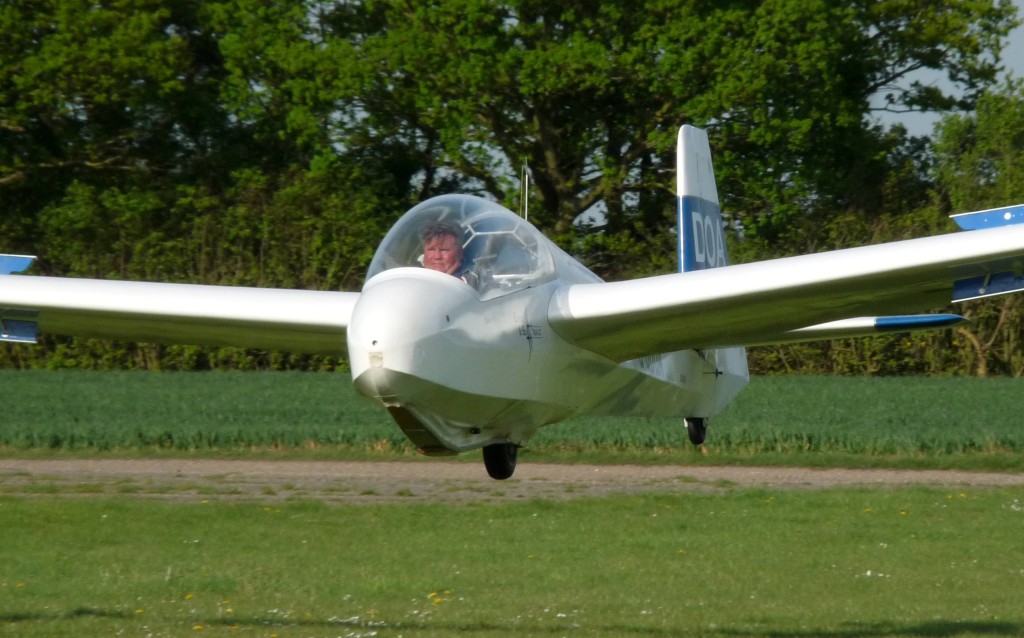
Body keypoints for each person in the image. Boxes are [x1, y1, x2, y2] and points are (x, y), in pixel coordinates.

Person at [420, 221, 479, 287]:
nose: (437, 256)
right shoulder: (413, 272)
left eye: (444, 250)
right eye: (431, 249)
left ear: (460, 253)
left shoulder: (472, 279)